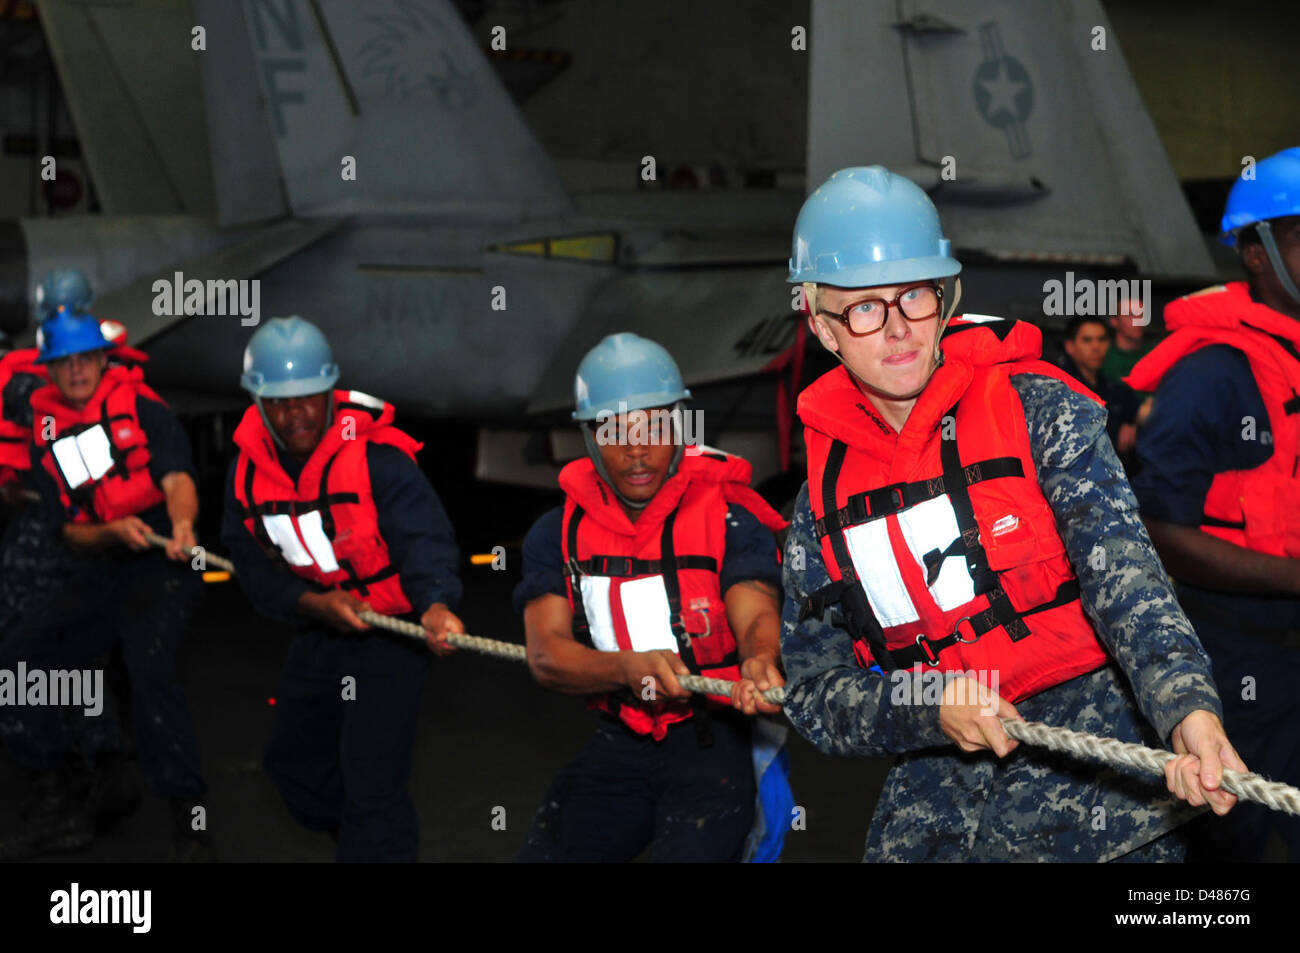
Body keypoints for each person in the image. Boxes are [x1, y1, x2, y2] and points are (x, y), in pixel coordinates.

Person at [781, 165, 1242, 861]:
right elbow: (814, 694)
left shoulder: (1039, 409)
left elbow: (1127, 580)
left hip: (1105, 800)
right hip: (934, 807)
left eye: (915, 296)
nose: (900, 329)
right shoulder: (818, 505)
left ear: (947, 295)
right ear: (822, 324)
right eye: (866, 308)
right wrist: (927, 705)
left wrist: (1187, 707)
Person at [514, 332, 788, 861]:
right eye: (614, 430)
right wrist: (623, 670)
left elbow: (755, 609)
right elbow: (546, 655)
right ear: (590, 438)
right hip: (620, 739)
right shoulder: (557, 534)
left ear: (681, 429)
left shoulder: (731, 515)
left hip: (714, 746)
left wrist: (760, 659)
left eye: (654, 427)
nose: (636, 449)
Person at [221, 316, 463, 862]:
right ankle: (366, 839)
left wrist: (437, 605)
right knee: (292, 771)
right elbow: (248, 561)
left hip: (391, 636)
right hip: (319, 627)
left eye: (307, 397)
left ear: (330, 391)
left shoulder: (379, 461)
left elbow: (427, 541)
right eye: (278, 401)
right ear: (258, 403)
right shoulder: (246, 472)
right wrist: (310, 604)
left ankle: (374, 843)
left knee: (372, 784)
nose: (294, 413)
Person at [1127, 146, 1300, 862]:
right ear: (1256, 254)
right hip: (1238, 663)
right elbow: (1160, 531)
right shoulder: (1210, 377)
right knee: (1246, 842)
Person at [0, 303, 210, 861]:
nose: (77, 372)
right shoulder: (46, 430)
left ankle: (191, 825)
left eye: (86, 359)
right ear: (48, 369)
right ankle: (62, 789)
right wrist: (111, 532)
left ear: (102, 358)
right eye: (64, 363)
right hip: (99, 558)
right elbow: (70, 532)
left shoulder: (141, 406)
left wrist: (183, 523)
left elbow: (177, 477)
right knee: (21, 659)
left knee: (150, 672)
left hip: (162, 559)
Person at [1056, 314, 1143, 460]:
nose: (1096, 347)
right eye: (1087, 340)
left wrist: (1135, 427)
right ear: (1070, 346)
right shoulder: (1059, 388)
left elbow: (1142, 411)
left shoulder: (1111, 387)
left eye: (1101, 339)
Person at [1102, 296, 1154, 384]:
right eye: (1131, 315)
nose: (1139, 320)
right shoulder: (1101, 356)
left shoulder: (1156, 353)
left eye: (1142, 314)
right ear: (1114, 321)